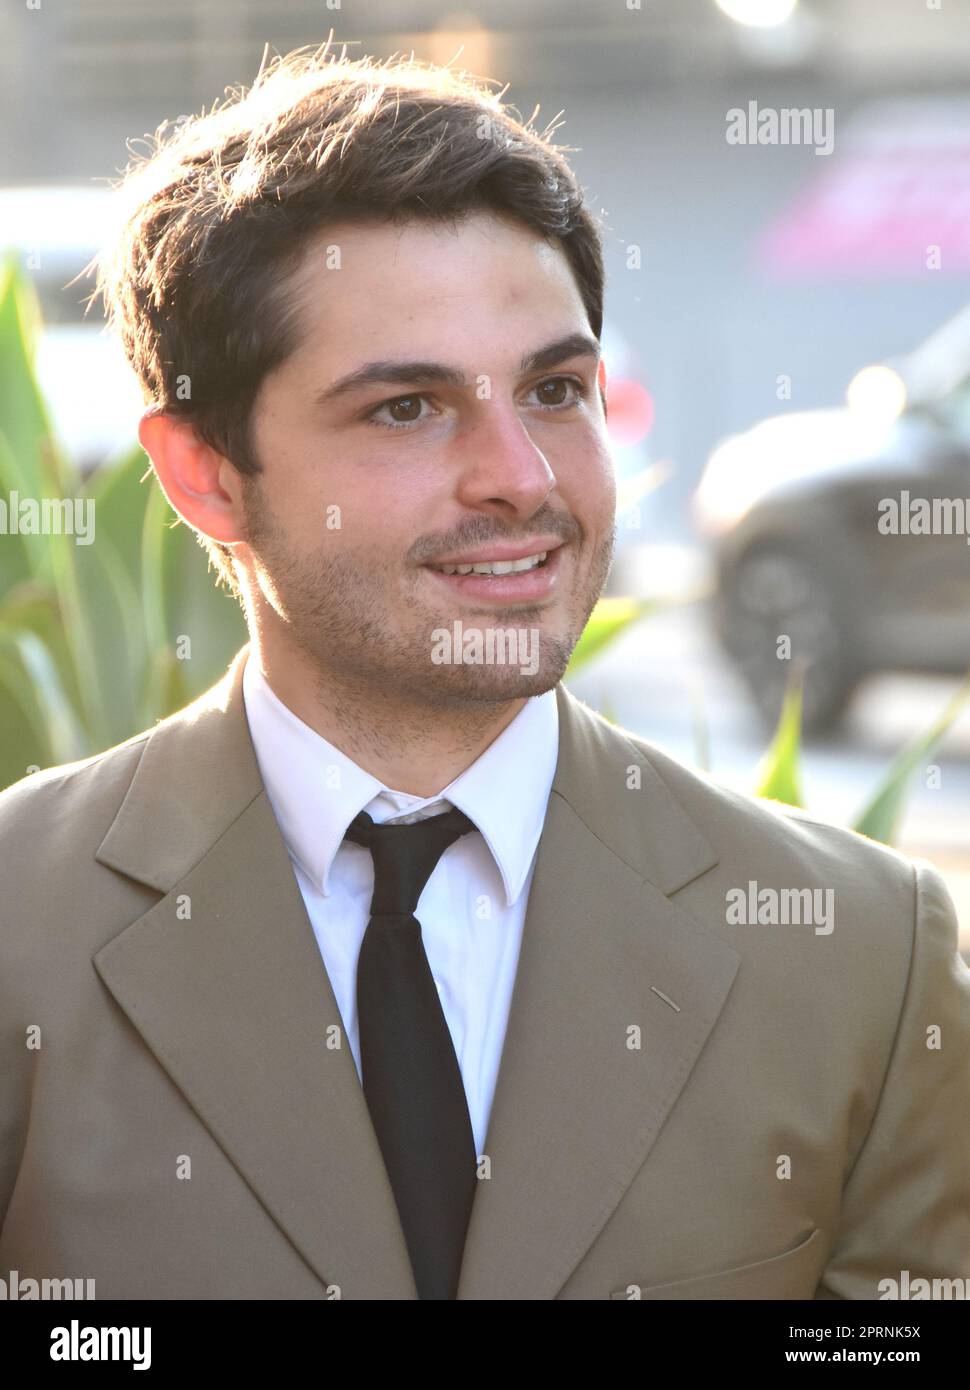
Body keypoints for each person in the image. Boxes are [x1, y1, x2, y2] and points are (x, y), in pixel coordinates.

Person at [1, 43, 967, 1302]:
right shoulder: (24, 927)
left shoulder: (864, 955)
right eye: (406, 407)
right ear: (204, 474)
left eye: (556, 390)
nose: (521, 474)